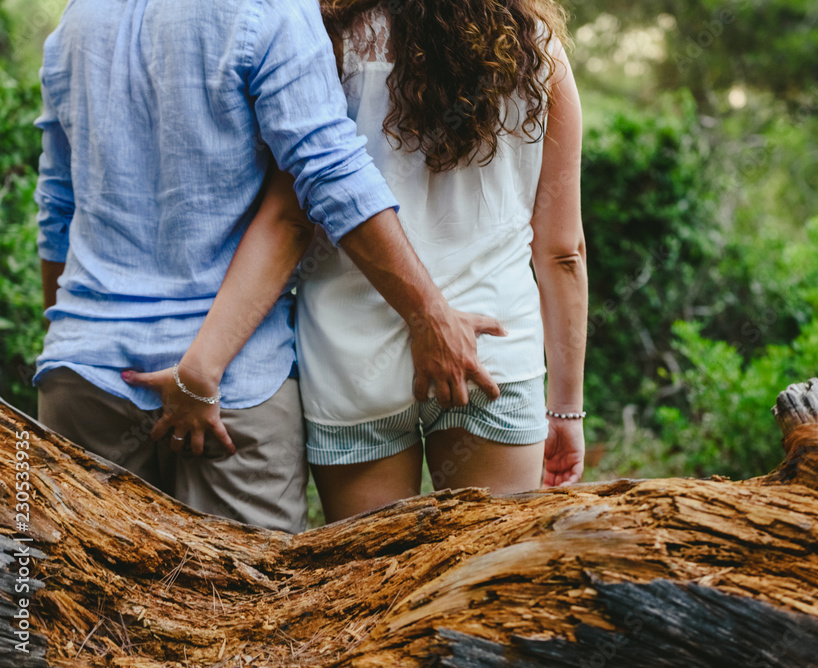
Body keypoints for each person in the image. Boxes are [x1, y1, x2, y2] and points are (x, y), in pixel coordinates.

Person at [33, 0, 504, 534]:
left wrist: (73, 336)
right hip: (232, 392)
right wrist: (430, 316)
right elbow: (324, 178)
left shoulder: (78, 18)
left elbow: (57, 206)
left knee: (84, 610)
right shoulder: (269, 8)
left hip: (85, 377)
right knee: (249, 609)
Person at [131, 0, 589, 524]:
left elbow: (292, 215)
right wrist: (566, 407)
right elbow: (562, 252)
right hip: (490, 354)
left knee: (370, 583)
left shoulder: (331, 41)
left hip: (350, 361)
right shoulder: (536, 49)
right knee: (485, 582)